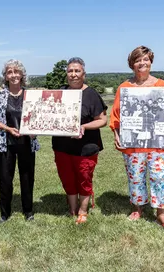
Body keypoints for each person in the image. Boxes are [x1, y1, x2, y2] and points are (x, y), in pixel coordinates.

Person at [110, 46, 164, 235]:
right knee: (135, 176)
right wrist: (116, 135)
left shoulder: (162, 86)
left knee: (161, 177)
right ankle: (137, 208)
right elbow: (116, 115)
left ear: (151, 62)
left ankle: (162, 214)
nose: (142, 63)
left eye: (146, 59)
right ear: (132, 64)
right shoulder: (124, 87)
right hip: (132, 144)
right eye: (138, 60)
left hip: (158, 143)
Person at [52, 57, 107, 224]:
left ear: (84, 74)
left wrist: (84, 126)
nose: (73, 74)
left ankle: (83, 210)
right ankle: (72, 208)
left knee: (84, 178)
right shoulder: (60, 93)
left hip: (86, 147)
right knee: (67, 178)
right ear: (66, 74)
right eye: (70, 71)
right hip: (62, 146)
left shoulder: (92, 94)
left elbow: (102, 120)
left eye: (77, 71)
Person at [0, 59, 39, 223]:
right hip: (5, 144)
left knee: (27, 178)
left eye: (16, 71)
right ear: (5, 76)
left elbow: (39, 119)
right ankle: (5, 213)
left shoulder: (31, 95)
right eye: (10, 72)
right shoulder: (0, 95)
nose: (14, 75)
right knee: (5, 179)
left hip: (26, 143)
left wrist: (34, 132)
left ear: (22, 74)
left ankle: (28, 211)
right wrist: (7, 128)